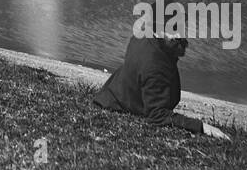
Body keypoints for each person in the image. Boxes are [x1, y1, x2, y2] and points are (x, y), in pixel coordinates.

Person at [93, 16, 230, 139]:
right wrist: (202, 127)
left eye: (179, 27)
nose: (179, 35)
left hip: (113, 95)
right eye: (172, 30)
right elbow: (157, 116)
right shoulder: (154, 65)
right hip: (120, 104)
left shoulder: (144, 38)